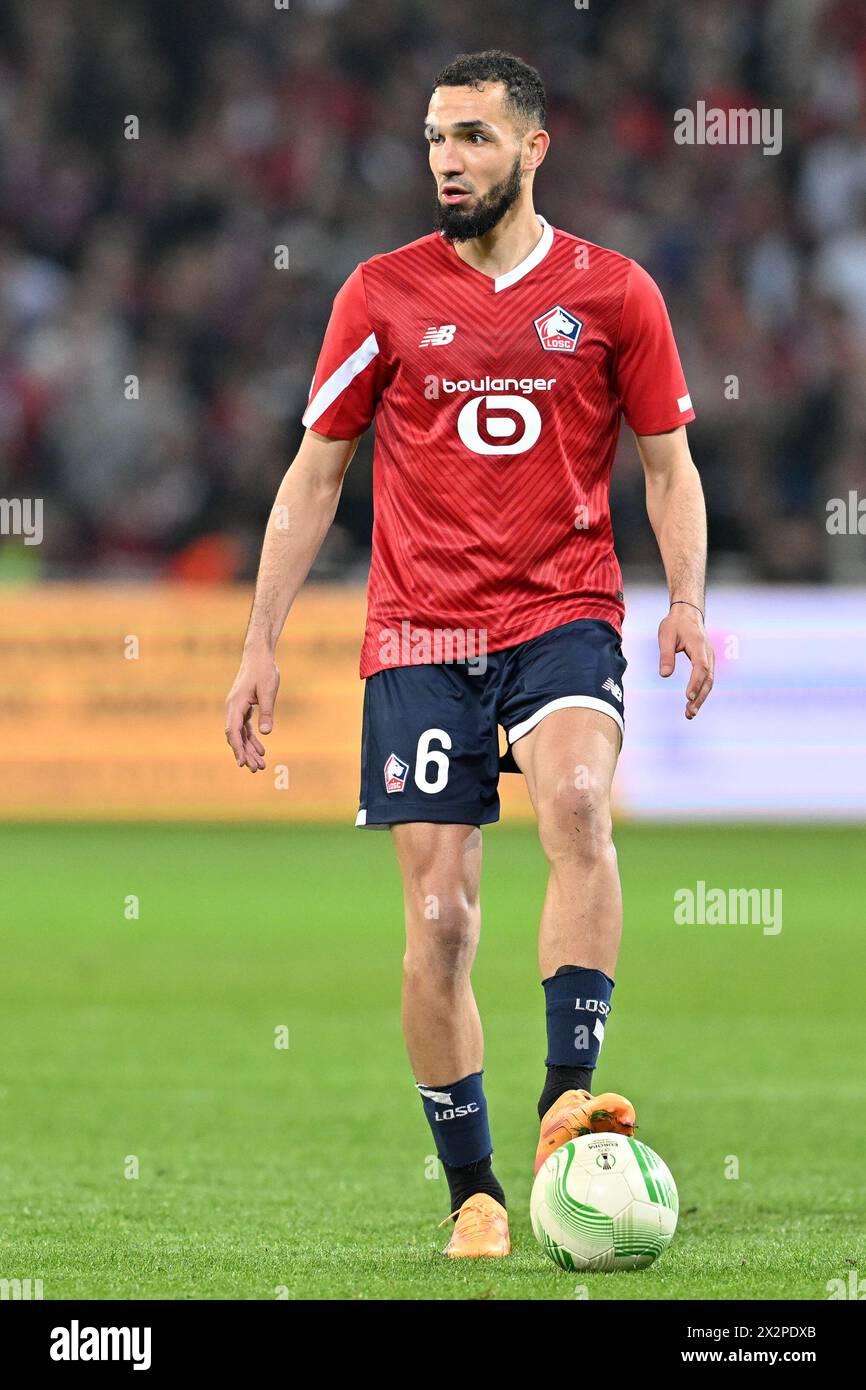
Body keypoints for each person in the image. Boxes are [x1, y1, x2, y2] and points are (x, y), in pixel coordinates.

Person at [225, 49, 714, 1258]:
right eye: (436, 139)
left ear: (533, 148)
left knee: (581, 804)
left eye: (474, 139)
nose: (446, 160)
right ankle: (475, 1193)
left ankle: (565, 1091)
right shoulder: (379, 294)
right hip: (419, 631)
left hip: (562, 609)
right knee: (440, 923)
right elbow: (314, 475)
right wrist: (259, 642)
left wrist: (686, 604)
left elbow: (667, 463)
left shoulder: (613, 294)